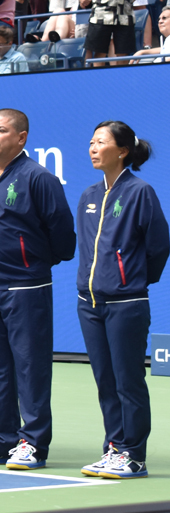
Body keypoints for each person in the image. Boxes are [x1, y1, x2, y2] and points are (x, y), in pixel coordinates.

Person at [0, 109, 76, 471]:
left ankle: (33, 444)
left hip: (26, 289)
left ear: (21, 138)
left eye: (1, 130)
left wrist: (31, 263)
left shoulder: (39, 179)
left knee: (30, 369)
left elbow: (63, 239)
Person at [75, 121, 168, 479]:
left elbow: (159, 244)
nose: (93, 148)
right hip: (89, 303)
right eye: (91, 141)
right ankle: (113, 448)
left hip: (126, 303)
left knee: (128, 380)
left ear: (123, 150)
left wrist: (133, 279)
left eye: (100, 142)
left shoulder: (140, 192)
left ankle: (134, 455)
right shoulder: (88, 196)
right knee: (105, 380)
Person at [81, 0, 143, 65]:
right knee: (99, 53)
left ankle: (121, 80)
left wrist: (124, 3)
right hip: (100, 16)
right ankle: (97, 80)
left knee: (123, 54)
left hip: (125, 17)